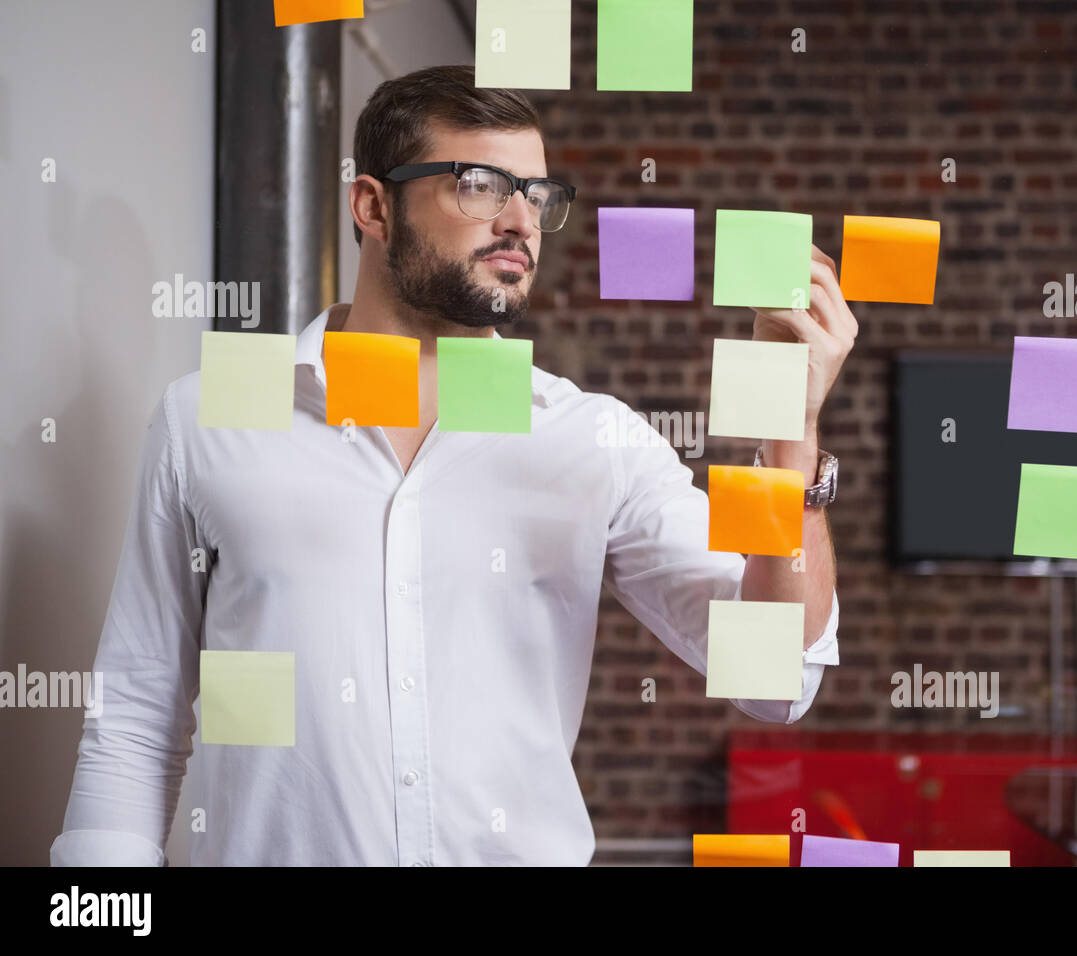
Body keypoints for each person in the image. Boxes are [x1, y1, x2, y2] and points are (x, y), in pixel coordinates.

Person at [51, 64, 856, 866]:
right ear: (372, 206)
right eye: (479, 185)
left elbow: (777, 677)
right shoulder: (210, 413)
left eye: (536, 196)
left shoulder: (590, 438)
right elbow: (135, 714)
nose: (520, 221)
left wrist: (792, 426)